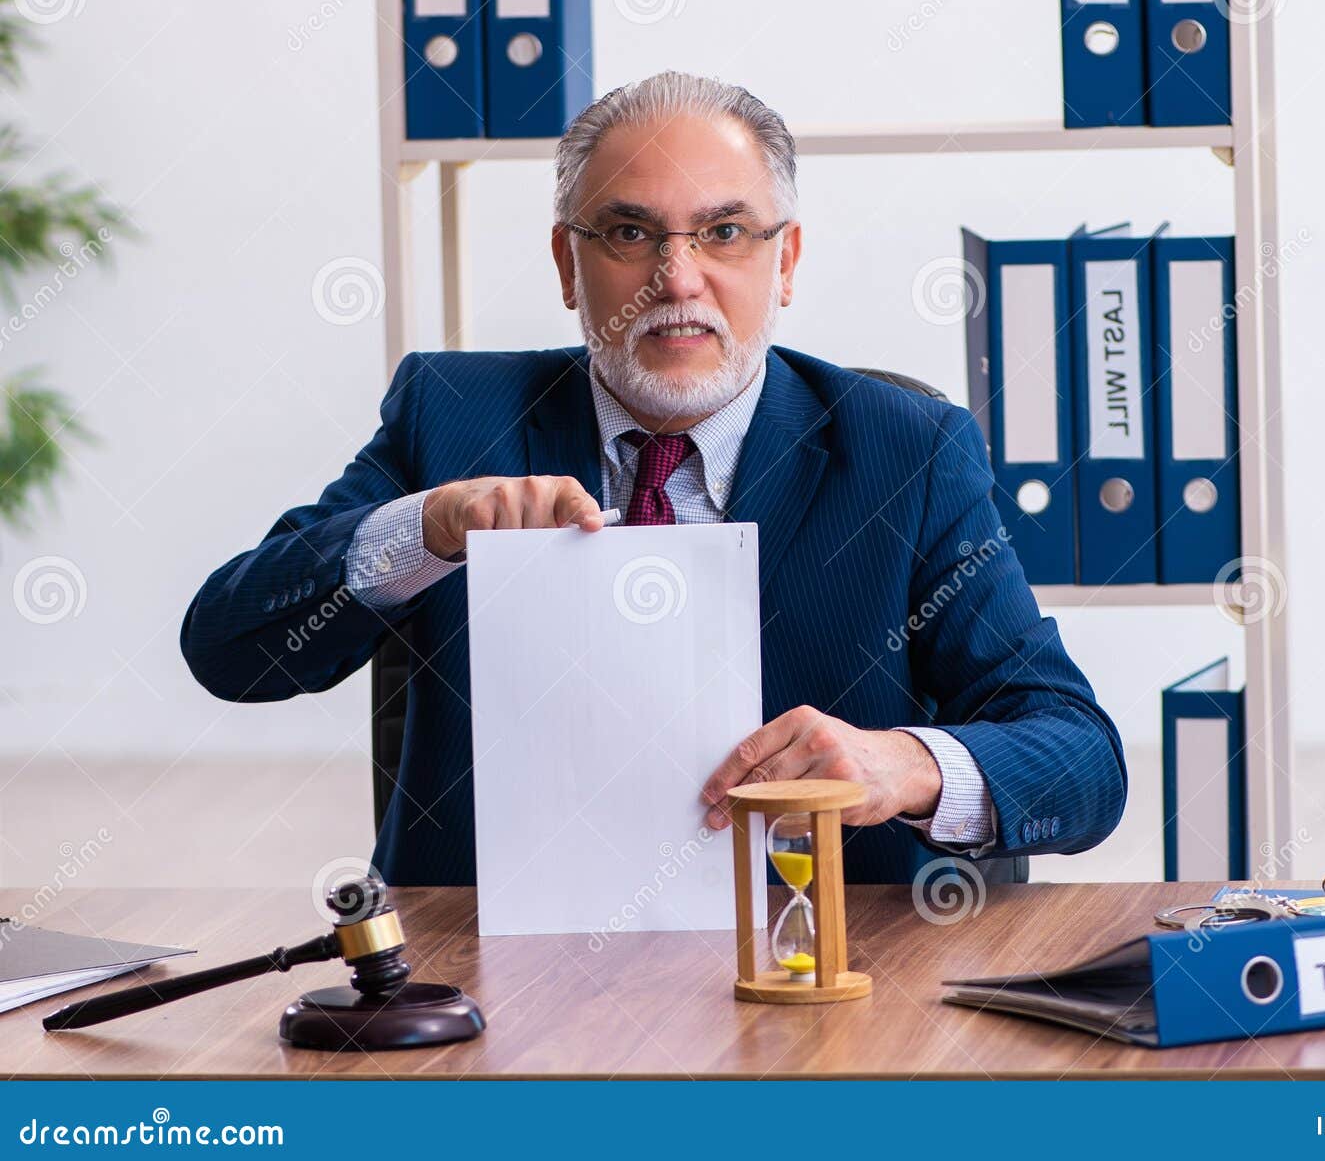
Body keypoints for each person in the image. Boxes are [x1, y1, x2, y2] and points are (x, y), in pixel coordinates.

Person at [180, 71, 1126, 886]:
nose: (676, 279)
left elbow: (1083, 759)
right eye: (630, 232)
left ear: (785, 260)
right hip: (484, 980)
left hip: (818, 973)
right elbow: (229, 650)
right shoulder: (452, 416)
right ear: (567, 262)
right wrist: (424, 530)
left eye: (723, 232)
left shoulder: (906, 453)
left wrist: (903, 766)